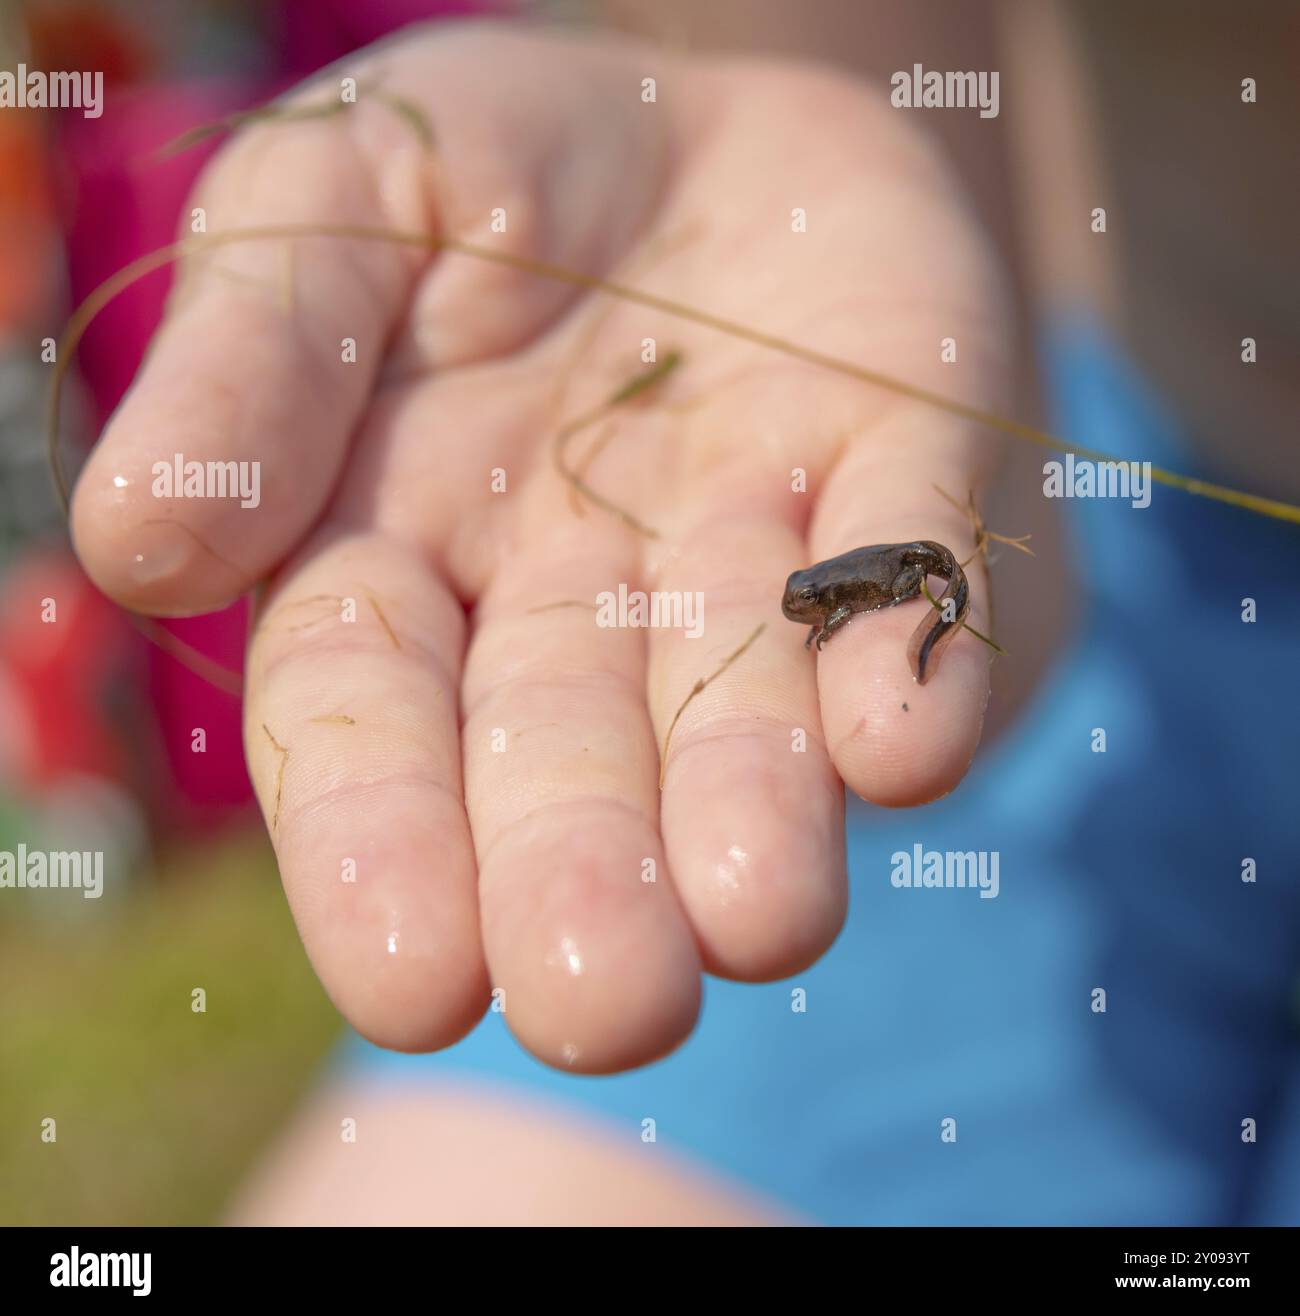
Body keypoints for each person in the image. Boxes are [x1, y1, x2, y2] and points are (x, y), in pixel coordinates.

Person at [69, 12, 1299, 1225]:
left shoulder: (863, 588)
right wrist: (746, 136)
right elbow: (992, 602)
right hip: (1144, 532)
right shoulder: (887, 574)